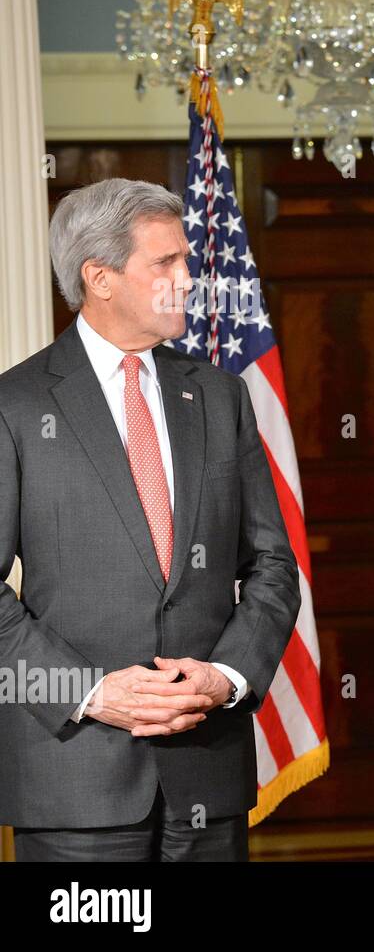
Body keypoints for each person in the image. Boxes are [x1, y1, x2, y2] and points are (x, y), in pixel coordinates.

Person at [0, 178, 301, 860]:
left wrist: (227, 676)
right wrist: (91, 691)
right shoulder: (14, 407)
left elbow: (274, 566)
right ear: (99, 278)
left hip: (208, 771)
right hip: (75, 779)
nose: (189, 279)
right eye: (165, 263)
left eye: (186, 260)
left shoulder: (220, 398)